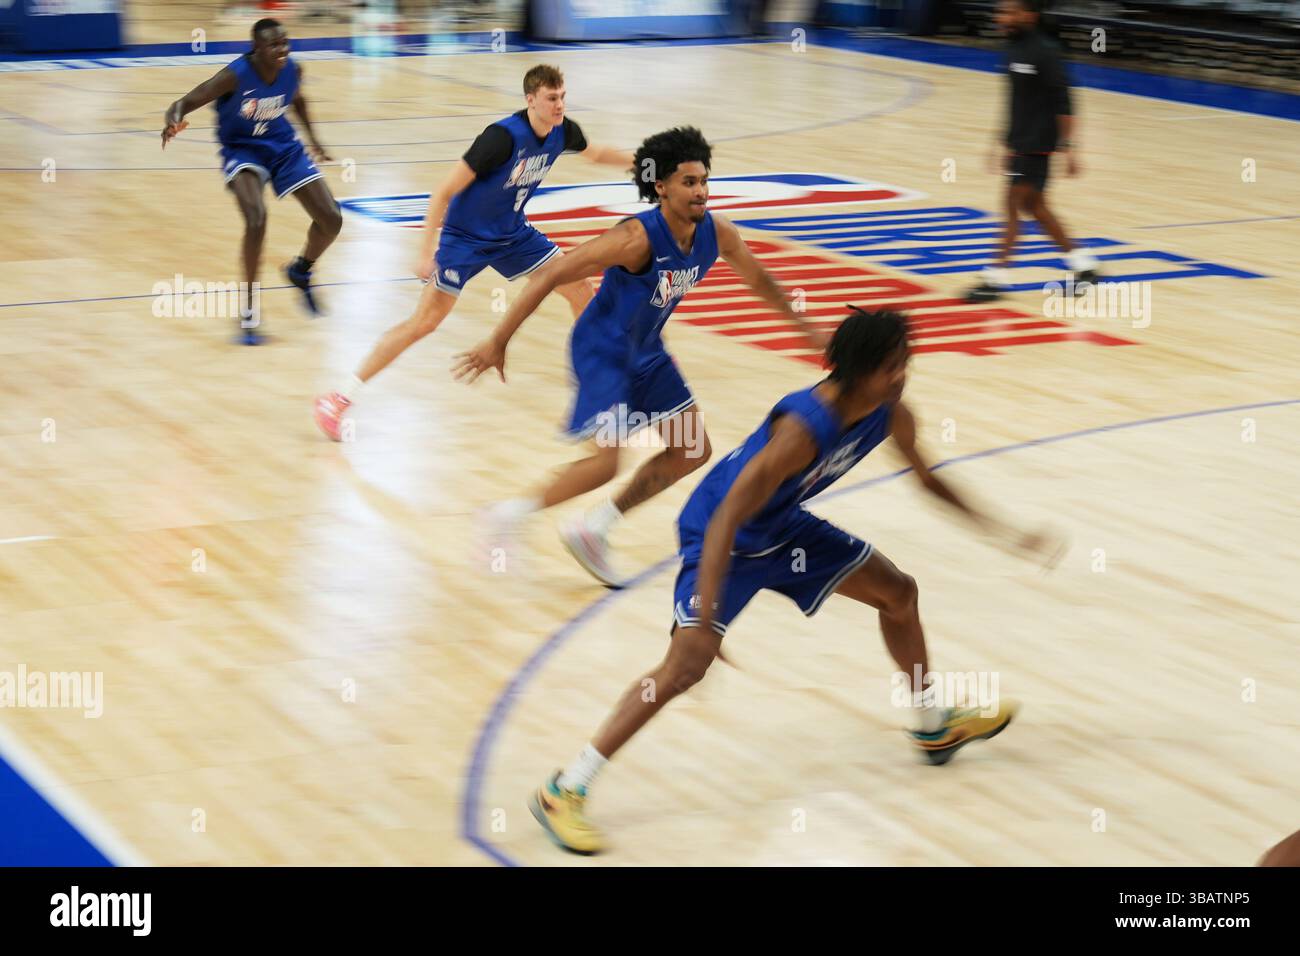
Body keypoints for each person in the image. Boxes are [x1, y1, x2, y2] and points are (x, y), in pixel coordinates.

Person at [527, 307, 1063, 854]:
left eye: (906, 362)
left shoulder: (889, 412)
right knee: (686, 663)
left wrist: (1005, 532)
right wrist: (709, 615)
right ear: (859, 371)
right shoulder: (802, 430)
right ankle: (565, 789)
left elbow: (928, 482)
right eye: (893, 366)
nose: (904, 374)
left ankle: (933, 726)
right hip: (723, 535)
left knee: (898, 593)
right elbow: (726, 515)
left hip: (782, 529)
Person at [453, 126, 827, 587]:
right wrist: (498, 340)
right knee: (608, 461)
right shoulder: (634, 239)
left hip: (646, 350)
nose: (700, 191)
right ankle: (506, 516)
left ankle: (594, 528)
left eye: (703, 181)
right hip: (601, 351)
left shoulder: (717, 233)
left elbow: (759, 281)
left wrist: (807, 330)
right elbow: (551, 275)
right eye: (688, 182)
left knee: (692, 448)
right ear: (660, 187)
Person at [313, 64, 633, 438]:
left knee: (579, 288)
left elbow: (596, 153)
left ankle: (595, 384)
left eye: (562, 97)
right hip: (464, 238)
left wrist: (645, 161)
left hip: (512, 234)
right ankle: (337, 399)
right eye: (551, 98)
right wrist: (424, 251)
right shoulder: (500, 138)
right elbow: (442, 192)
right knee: (424, 323)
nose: (559, 105)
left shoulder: (563, 131)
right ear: (531, 100)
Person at [162, 18, 341, 344]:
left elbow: (298, 99)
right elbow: (183, 103)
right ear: (256, 49)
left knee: (332, 219)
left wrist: (314, 138)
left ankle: (300, 270)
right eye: (274, 44)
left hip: (284, 148)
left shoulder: (293, 70)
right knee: (256, 219)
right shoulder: (235, 75)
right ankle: (248, 312)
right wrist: (173, 121)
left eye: (285, 42)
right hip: (243, 151)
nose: (283, 49)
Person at [965, 0, 1100, 303]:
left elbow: (1065, 104)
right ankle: (1085, 265)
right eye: (1000, 12)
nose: (1003, 17)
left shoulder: (1046, 52)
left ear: (1030, 15)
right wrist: (1001, 142)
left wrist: (1069, 148)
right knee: (1035, 208)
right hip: (1020, 142)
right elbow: (1016, 102)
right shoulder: (1012, 50)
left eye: (1011, 12)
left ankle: (995, 279)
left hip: (1038, 145)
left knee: (1012, 204)